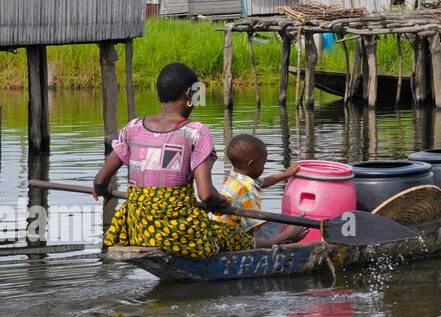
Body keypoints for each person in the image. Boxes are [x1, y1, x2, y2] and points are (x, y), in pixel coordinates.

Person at [94, 63, 303, 257]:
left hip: (138, 229)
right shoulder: (195, 132)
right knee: (231, 235)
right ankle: (283, 239)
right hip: (177, 234)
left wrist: (104, 193)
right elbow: (206, 195)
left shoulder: (133, 127)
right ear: (189, 94)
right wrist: (223, 202)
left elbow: (100, 181)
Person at [209, 134, 299, 232]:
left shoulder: (234, 179)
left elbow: (263, 182)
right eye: (263, 163)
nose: (264, 167)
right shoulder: (248, 191)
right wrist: (288, 234)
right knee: (290, 232)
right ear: (251, 164)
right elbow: (254, 229)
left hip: (216, 231)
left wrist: (286, 174)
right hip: (231, 237)